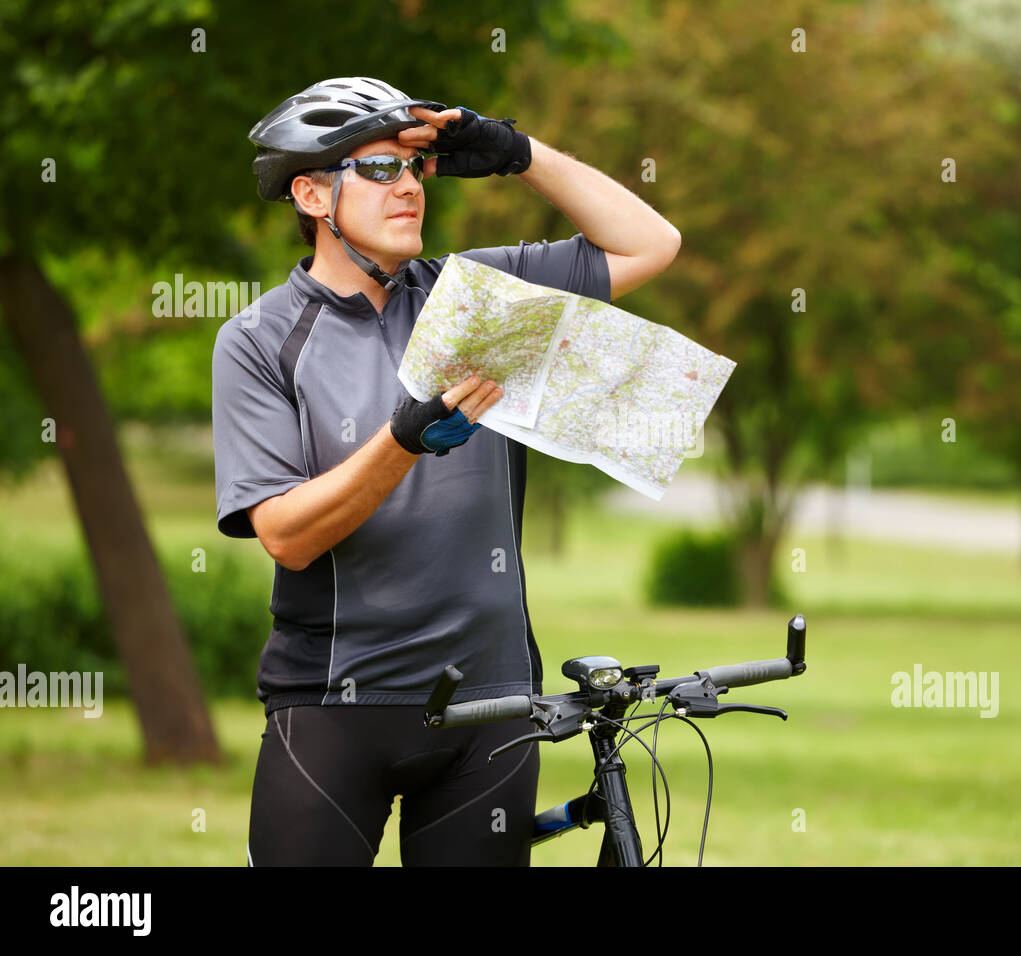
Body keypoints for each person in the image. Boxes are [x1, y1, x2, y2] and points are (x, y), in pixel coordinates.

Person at [212, 77, 680, 866]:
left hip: (491, 710)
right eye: (377, 170)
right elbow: (287, 538)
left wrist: (514, 152)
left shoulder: (478, 300)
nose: (406, 187)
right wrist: (403, 439)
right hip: (336, 707)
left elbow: (650, 244)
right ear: (312, 195)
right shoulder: (258, 340)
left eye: (413, 168)